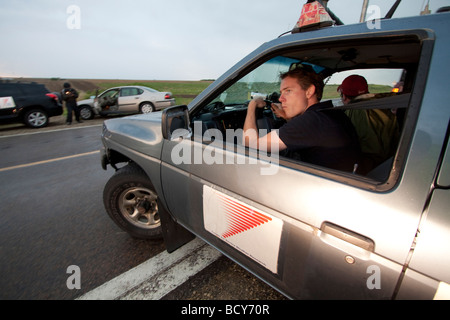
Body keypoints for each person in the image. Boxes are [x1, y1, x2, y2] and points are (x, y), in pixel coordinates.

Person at [243, 67, 360, 172]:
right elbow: (304, 133)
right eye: (281, 93)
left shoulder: (310, 121)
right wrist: (288, 117)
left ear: (309, 91)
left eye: (288, 91)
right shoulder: (331, 113)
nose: (281, 98)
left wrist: (252, 105)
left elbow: (251, 145)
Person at [337, 75, 399, 173]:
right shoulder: (385, 106)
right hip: (390, 164)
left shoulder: (353, 111)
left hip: (369, 168)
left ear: (344, 96)